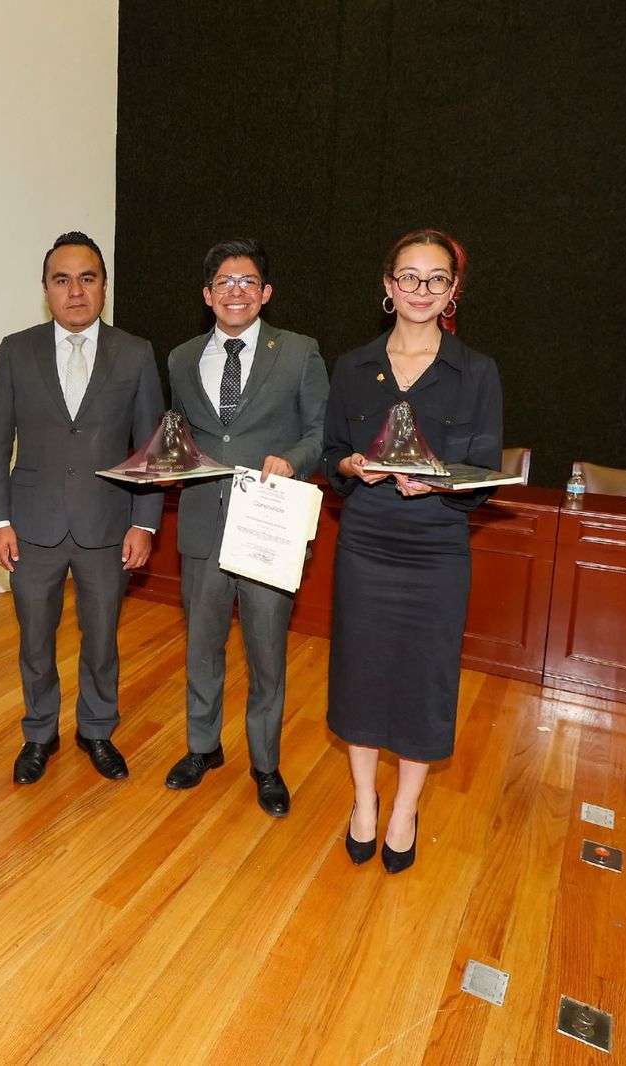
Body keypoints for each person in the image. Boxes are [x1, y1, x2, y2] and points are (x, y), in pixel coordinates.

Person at [322, 228, 503, 873]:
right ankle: (364, 800)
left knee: (426, 678)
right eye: (409, 277)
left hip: (437, 548)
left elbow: (483, 472)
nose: (421, 290)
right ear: (388, 285)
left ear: (453, 291)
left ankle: (405, 809)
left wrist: (442, 481)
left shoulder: (476, 372)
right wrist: (349, 464)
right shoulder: (352, 367)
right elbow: (332, 455)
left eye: (436, 279)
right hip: (366, 541)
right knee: (361, 671)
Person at [0, 232, 164, 785]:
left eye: (87, 278)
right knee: (35, 641)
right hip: (30, 527)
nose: (76, 291)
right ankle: (39, 732)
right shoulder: (16, 350)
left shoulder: (135, 352)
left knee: (101, 639)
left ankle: (97, 729)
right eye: (62, 280)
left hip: (108, 525)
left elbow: (151, 448)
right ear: (46, 289)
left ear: (104, 286)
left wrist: (144, 521)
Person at [163, 239, 329, 814]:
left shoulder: (299, 351)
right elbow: (181, 435)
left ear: (266, 293)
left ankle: (265, 764)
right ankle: (202, 747)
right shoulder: (181, 358)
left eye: (247, 281)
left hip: (269, 527)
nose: (236, 291)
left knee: (266, 653)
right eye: (224, 282)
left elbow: (320, 433)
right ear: (207, 295)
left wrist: (294, 460)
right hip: (202, 525)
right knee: (202, 648)